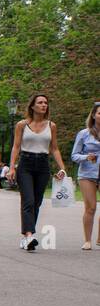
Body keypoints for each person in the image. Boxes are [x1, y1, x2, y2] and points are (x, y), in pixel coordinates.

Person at [7, 92, 69, 251]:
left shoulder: (51, 126)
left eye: (45, 103)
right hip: (25, 164)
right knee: (28, 200)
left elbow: (54, 149)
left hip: (42, 165)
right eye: (40, 102)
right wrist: (12, 167)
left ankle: (26, 236)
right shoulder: (21, 124)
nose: (43, 105)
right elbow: (16, 146)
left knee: (37, 202)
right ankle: (29, 236)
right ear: (33, 106)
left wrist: (62, 168)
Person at [70, 101, 100, 249]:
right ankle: (87, 240)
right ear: (94, 115)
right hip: (88, 173)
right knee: (91, 208)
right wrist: (86, 157)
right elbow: (74, 156)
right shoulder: (84, 134)